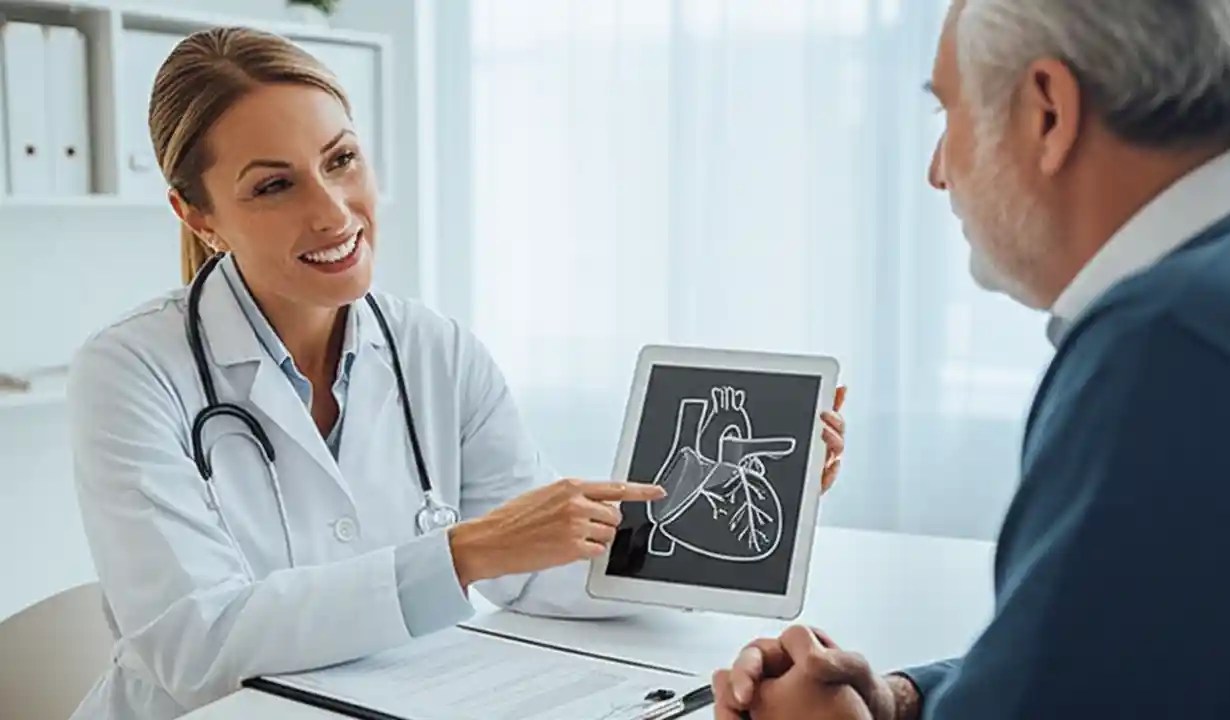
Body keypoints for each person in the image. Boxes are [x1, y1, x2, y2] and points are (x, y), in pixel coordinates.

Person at [64, 27, 848, 720]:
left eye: (341, 160)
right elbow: (195, 646)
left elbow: (533, 572)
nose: (333, 211)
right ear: (197, 216)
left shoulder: (432, 348)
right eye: (274, 185)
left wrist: (706, 507)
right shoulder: (131, 372)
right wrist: (461, 554)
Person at [712, 0, 1230, 718]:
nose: (938, 171)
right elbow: (1122, 663)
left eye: (948, 111)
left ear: (1048, 112)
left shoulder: (1172, 343)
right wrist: (907, 700)